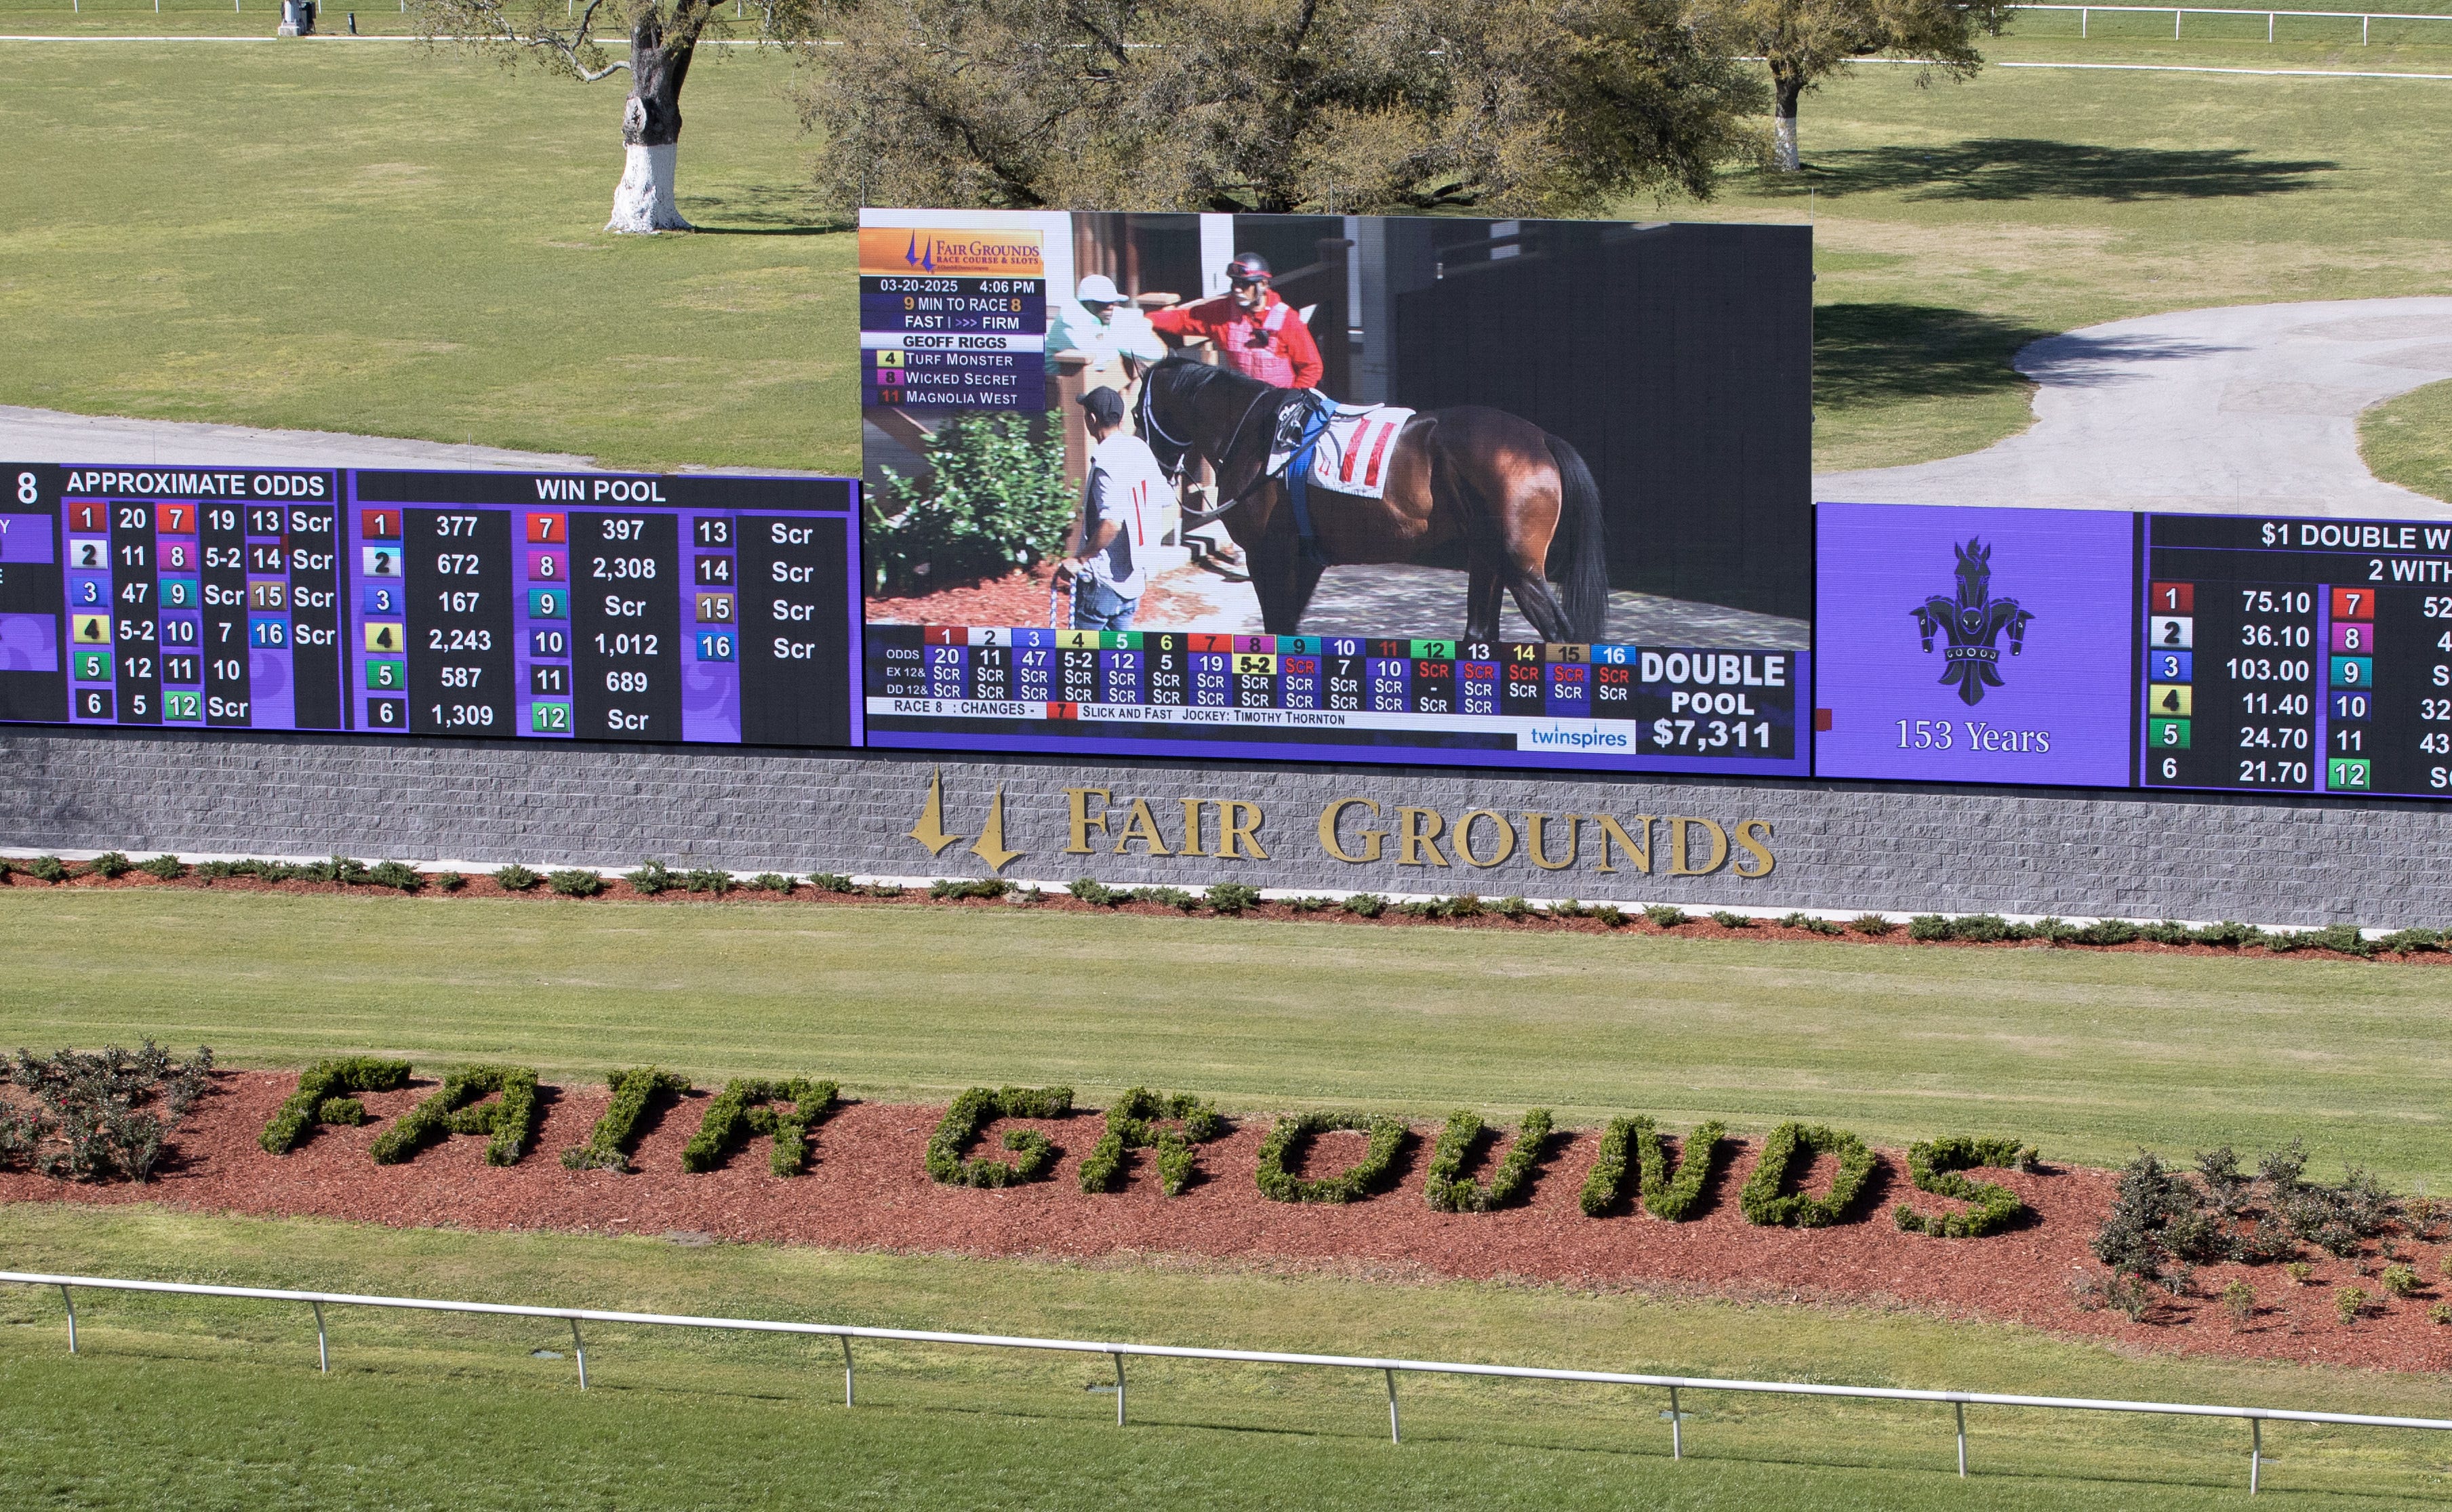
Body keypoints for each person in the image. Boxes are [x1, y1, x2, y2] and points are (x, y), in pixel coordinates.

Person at [1056, 386, 1175, 631]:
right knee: (1119, 663)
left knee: (1083, 663)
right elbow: (1166, 497)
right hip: (1134, 584)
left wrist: (1079, 560)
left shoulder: (1105, 461)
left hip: (1102, 584)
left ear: (1091, 419)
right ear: (1120, 418)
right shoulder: (1140, 449)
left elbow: (1112, 523)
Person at [1148, 252, 1324, 390]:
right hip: (1242, 401)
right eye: (1235, 283)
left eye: (1245, 284)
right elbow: (1184, 319)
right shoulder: (1223, 313)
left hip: (1281, 401)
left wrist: (1295, 399)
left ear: (1263, 284)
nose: (1238, 290)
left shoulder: (1287, 319)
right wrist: (1148, 320)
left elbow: (1312, 367)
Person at [1045, 273, 1166, 394]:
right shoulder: (1070, 318)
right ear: (1086, 302)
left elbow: (1155, 352)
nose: (1110, 307)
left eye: (1113, 302)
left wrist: (1109, 339)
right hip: (1051, 387)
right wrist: (1121, 341)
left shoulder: (1114, 314)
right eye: (1102, 303)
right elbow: (1099, 360)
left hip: (1095, 384)